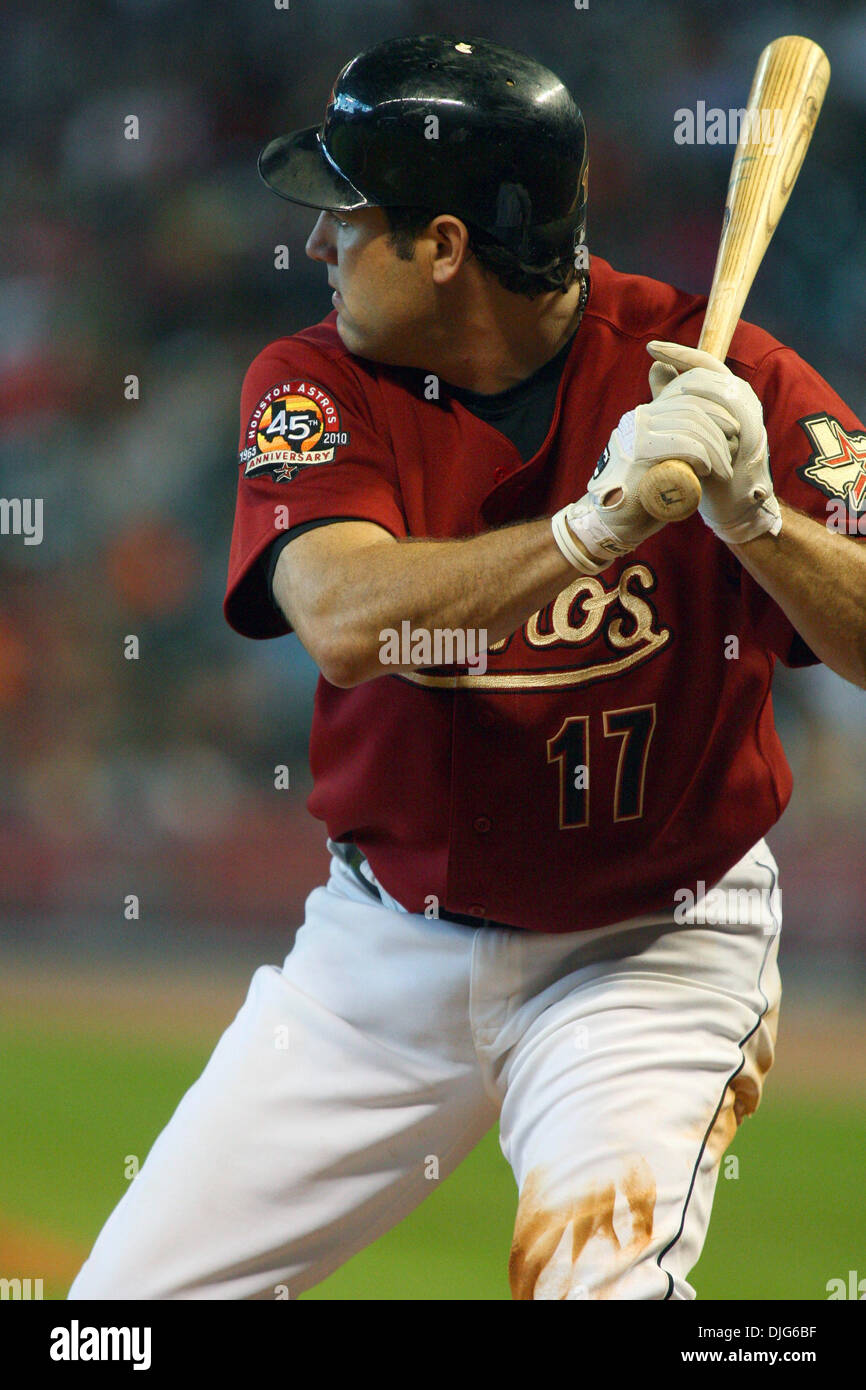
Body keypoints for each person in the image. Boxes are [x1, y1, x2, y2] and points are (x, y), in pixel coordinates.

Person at [69, 33, 866, 1302]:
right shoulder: (312, 380)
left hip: (646, 946)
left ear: (444, 247)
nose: (317, 247)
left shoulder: (722, 384)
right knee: (115, 1323)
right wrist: (588, 530)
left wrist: (755, 522)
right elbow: (341, 614)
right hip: (378, 958)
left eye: (347, 216)